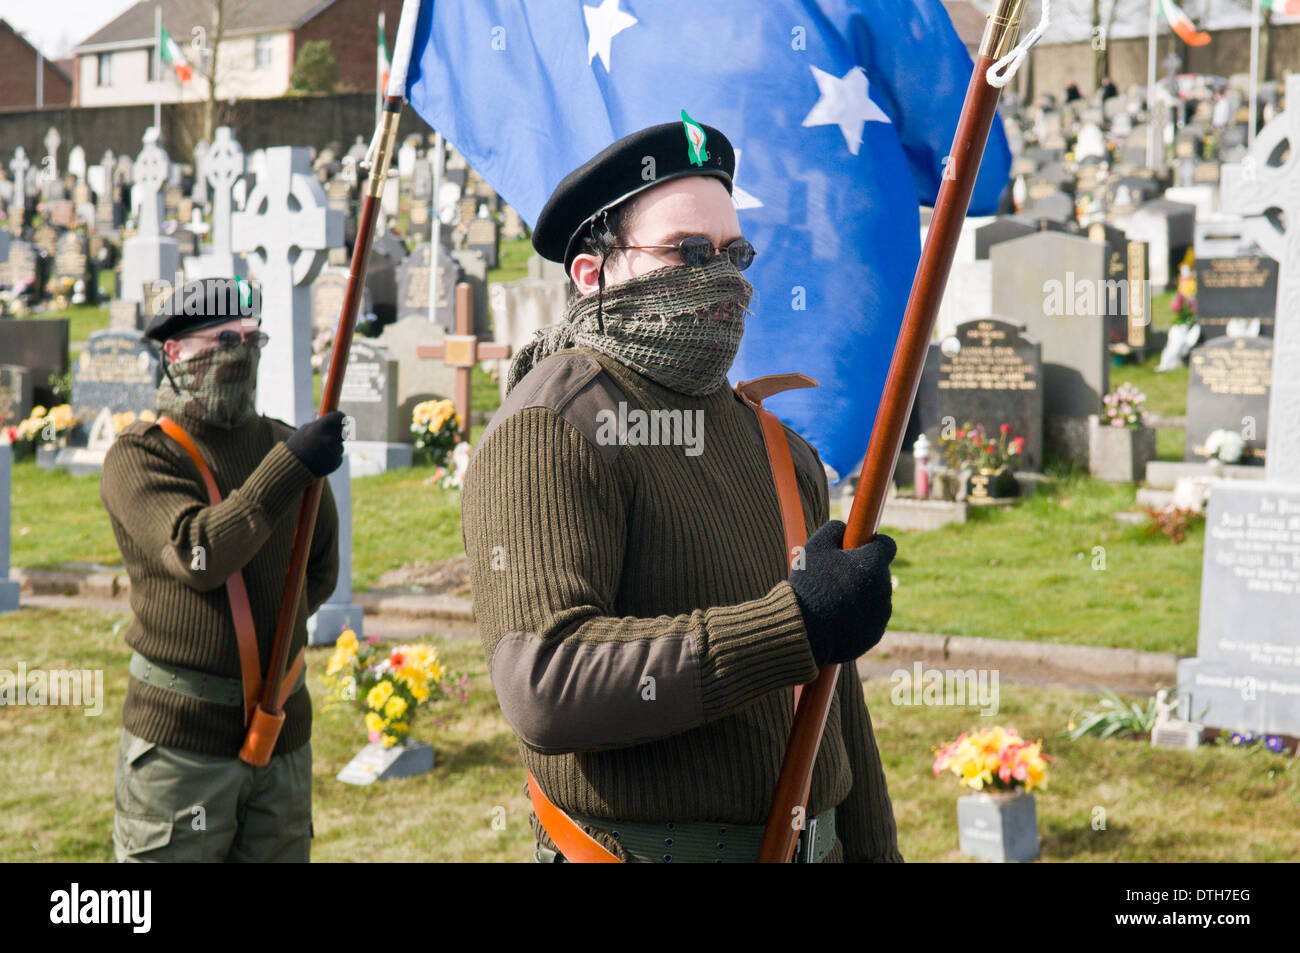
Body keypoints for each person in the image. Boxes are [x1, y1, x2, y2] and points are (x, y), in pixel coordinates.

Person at [461, 120, 902, 863]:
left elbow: (833, 695)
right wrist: (791, 624)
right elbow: (544, 681)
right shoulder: (555, 425)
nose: (723, 276)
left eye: (735, 254)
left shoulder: (776, 446)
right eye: (688, 253)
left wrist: (876, 852)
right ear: (592, 273)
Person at [101, 277, 344, 862]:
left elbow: (319, 572)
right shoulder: (141, 455)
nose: (241, 350)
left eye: (250, 337)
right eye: (223, 339)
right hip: (181, 748)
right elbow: (197, 554)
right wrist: (290, 468)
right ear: (173, 353)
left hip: (281, 735)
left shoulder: (284, 443)